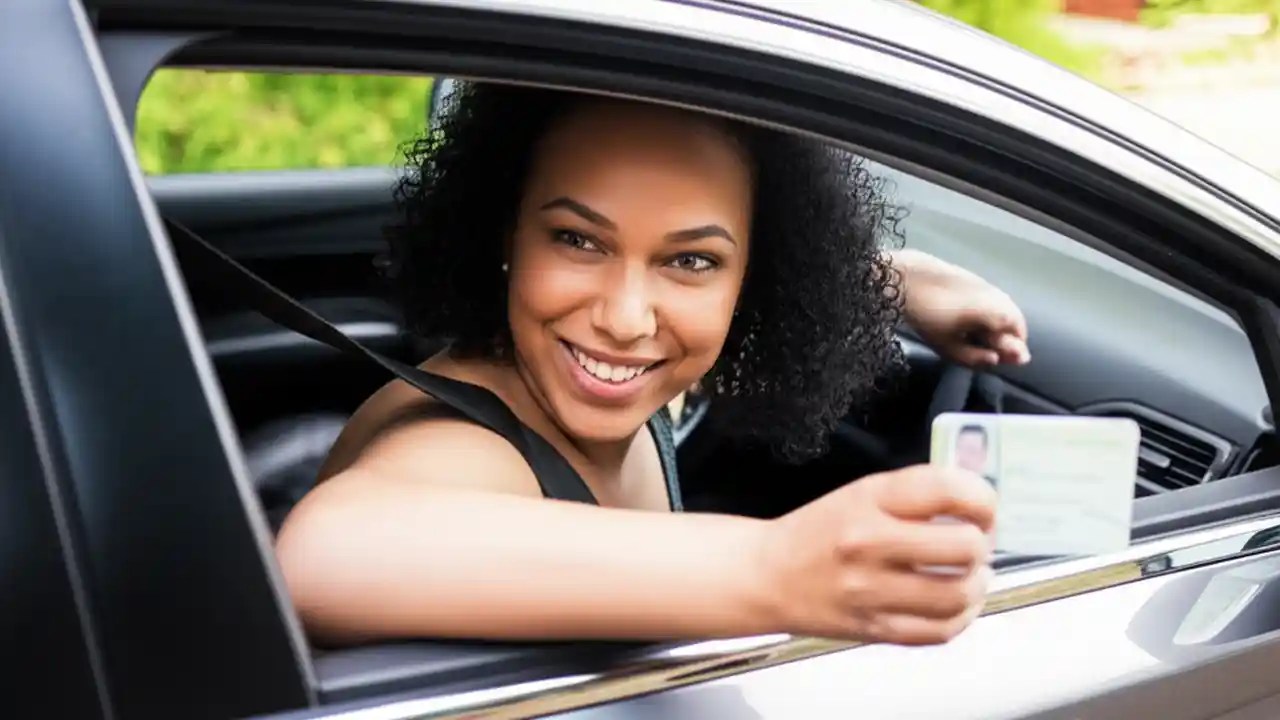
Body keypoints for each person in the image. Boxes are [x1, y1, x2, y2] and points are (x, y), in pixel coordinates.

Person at [274, 82, 1029, 648]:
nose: (626, 319)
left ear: (750, 278)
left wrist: (898, 281)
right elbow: (325, 555)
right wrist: (779, 566)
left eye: (690, 260)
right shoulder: (462, 446)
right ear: (504, 233)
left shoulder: (623, 376)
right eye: (577, 240)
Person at [955, 424, 998, 489]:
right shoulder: (946, 487)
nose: (964, 458)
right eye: (960, 449)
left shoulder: (992, 489)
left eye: (971, 451)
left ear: (984, 456)